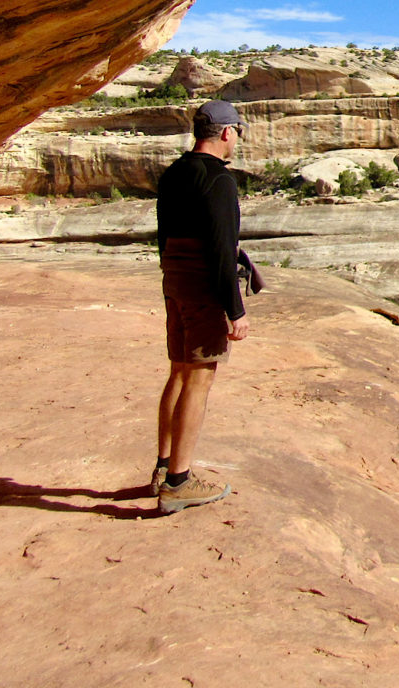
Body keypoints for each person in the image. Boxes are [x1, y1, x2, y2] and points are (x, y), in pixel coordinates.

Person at [153, 99, 250, 514]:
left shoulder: (174, 173)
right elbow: (221, 250)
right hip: (202, 288)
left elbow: (162, 235)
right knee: (200, 377)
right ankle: (178, 482)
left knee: (178, 371)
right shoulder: (219, 180)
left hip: (174, 280)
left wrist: (170, 280)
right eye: (238, 134)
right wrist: (236, 309)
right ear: (226, 133)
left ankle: (163, 467)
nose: (237, 142)